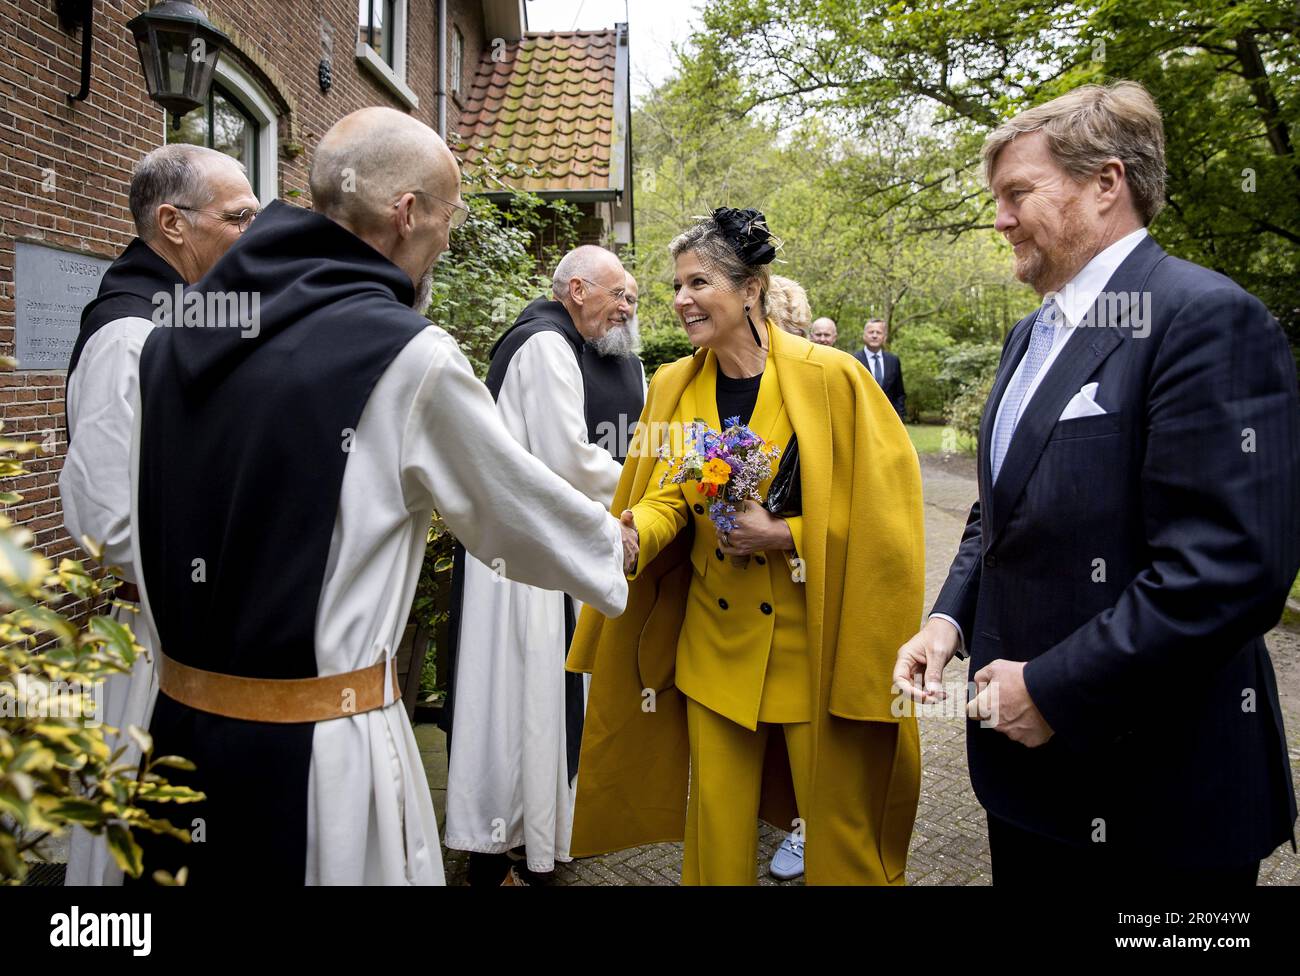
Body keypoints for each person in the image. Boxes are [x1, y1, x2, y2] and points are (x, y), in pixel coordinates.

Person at [128, 107, 633, 886]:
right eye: (450, 216)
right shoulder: (405, 356)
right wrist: (626, 542)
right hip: (324, 756)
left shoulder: (173, 332)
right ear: (407, 214)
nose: (448, 238)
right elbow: (514, 512)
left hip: (176, 738)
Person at [894, 81, 1299, 886]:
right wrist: (948, 617)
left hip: (1158, 799)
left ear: (1106, 183)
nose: (1000, 218)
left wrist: (1051, 688)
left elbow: (1230, 571)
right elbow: (1002, 512)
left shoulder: (1206, 318)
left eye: (1017, 194)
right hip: (1026, 792)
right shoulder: (1027, 335)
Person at [566, 208, 926, 885]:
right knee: (717, 837)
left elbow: (884, 518)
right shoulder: (673, 383)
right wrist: (631, 535)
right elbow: (668, 493)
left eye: (698, 282)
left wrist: (782, 533)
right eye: (676, 286)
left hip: (812, 648)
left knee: (838, 835)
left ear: (750, 290)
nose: (680, 301)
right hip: (714, 649)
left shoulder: (835, 379)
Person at [60, 143, 257, 887]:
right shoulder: (126, 337)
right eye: (239, 217)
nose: (255, 233)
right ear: (171, 223)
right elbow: (108, 519)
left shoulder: (182, 318)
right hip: (160, 638)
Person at [443, 245, 629, 885]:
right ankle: (515, 839)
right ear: (577, 289)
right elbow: (565, 457)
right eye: (616, 294)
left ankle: (519, 834)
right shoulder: (548, 345)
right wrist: (646, 483)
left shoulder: (541, 337)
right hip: (522, 563)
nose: (623, 309)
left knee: (525, 694)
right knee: (527, 692)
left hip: (520, 549)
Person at [583, 271, 648, 464]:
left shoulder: (637, 366)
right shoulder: (571, 355)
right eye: (617, 296)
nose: (624, 307)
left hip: (632, 488)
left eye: (630, 299)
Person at [852, 318, 905, 419]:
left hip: (888, 418)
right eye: (871, 332)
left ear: (884, 337)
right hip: (862, 417)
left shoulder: (893, 361)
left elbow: (899, 393)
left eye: (879, 332)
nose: (874, 335)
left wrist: (900, 416)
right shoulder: (853, 360)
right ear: (864, 336)